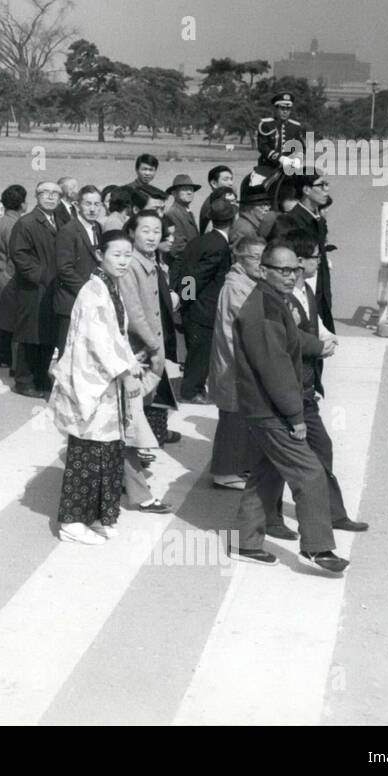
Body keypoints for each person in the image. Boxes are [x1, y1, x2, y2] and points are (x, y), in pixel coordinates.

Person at [230, 245, 348, 573]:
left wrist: (317, 345)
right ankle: (318, 547)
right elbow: (276, 368)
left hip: (263, 406)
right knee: (309, 472)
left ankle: (245, 542)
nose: (289, 275)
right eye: (280, 270)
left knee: (267, 472)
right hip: (270, 409)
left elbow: (290, 338)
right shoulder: (264, 308)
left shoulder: (270, 301)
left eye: (292, 270)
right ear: (263, 269)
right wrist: (295, 417)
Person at [48, 231, 162, 545]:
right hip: (92, 384)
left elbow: (116, 336)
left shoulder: (109, 286)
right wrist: (125, 370)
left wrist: (128, 362)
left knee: (109, 452)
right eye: (117, 255)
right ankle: (72, 522)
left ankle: (99, 515)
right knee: (88, 452)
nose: (123, 261)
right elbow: (98, 339)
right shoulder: (92, 291)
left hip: (106, 382)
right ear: (100, 254)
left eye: (128, 255)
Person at [256, 230, 368, 539]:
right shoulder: (280, 298)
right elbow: (287, 341)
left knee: (319, 448)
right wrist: (318, 347)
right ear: (299, 261)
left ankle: (333, 513)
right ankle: (274, 520)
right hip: (288, 392)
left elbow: (313, 327)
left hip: (305, 387)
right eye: (318, 257)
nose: (323, 262)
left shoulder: (307, 291)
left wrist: (325, 338)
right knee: (281, 460)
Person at [119, 209, 182, 452]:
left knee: (146, 403)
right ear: (132, 232)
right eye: (145, 230)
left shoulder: (150, 261)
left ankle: (141, 453)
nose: (152, 236)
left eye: (157, 231)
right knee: (134, 407)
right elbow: (135, 315)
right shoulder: (131, 264)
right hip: (139, 349)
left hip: (151, 345)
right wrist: (154, 347)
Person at [206, 236, 266, 490]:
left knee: (240, 417)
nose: (259, 262)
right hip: (235, 361)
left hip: (240, 360)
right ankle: (224, 472)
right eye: (253, 257)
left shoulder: (248, 281)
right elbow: (246, 323)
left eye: (263, 256)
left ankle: (235, 467)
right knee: (233, 416)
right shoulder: (235, 286)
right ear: (240, 258)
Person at [175, 196, 236, 404]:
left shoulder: (200, 241)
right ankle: (191, 391)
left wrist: (185, 301)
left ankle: (194, 387)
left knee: (198, 351)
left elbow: (186, 271)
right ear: (232, 221)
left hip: (195, 306)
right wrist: (189, 301)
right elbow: (197, 277)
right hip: (204, 309)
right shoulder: (219, 246)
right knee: (201, 352)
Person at [8, 181, 63, 398]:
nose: (50, 197)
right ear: (37, 196)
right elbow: (20, 255)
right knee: (30, 334)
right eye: (45, 193)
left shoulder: (59, 220)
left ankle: (41, 377)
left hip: (54, 287)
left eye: (55, 194)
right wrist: (42, 276)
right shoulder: (26, 223)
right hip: (33, 288)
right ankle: (24, 381)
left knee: (48, 334)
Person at [270, 170, 336, 332]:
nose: (326, 189)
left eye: (327, 184)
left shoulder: (317, 220)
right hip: (297, 298)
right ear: (306, 190)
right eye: (321, 185)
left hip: (318, 296)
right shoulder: (288, 222)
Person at [54, 184, 102, 354]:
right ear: (78, 205)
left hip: (92, 302)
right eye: (88, 204)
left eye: (97, 204)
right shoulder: (69, 230)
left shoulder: (98, 228)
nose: (92, 209)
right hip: (71, 301)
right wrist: (87, 290)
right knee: (68, 353)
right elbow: (64, 269)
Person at [0, 184, 26, 369]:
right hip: (10, 275)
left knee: (5, 319)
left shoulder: (4, 220)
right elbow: (16, 254)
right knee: (13, 321)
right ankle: (9, 360)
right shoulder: (16, 223)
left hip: (1, 272)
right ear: (22, 204)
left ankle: (3, 357)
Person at [250, 91, 305, 204]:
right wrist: (280, 158)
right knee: (256, 186)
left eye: (288, 109)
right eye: (282, 108)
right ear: (275, 108)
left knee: (309, 187)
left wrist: (297, 159)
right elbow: (263, 146)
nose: (285, 112)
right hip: (268, 167)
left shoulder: (295, 126)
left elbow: (300, 148)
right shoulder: (265, 124)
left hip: (290, 168)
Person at [162, 173, 200, 269]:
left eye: (191, 189)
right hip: (182, 268)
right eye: (184, 189)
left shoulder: (186, 211)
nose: (189, 192)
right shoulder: (172, 213)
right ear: (174, 193)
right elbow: (177, 248)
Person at [230, 184, 273, 249]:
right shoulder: (244, 229)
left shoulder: (253, 225)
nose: (267, 209)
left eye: (268, 204)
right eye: (262, 205)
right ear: (250, 207)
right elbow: (237, 255)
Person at [199, 166, 237, 234]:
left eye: (231, 179)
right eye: (226, 180)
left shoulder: (223, 201)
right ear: (214, 184)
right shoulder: (211, 206)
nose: (231, 183)